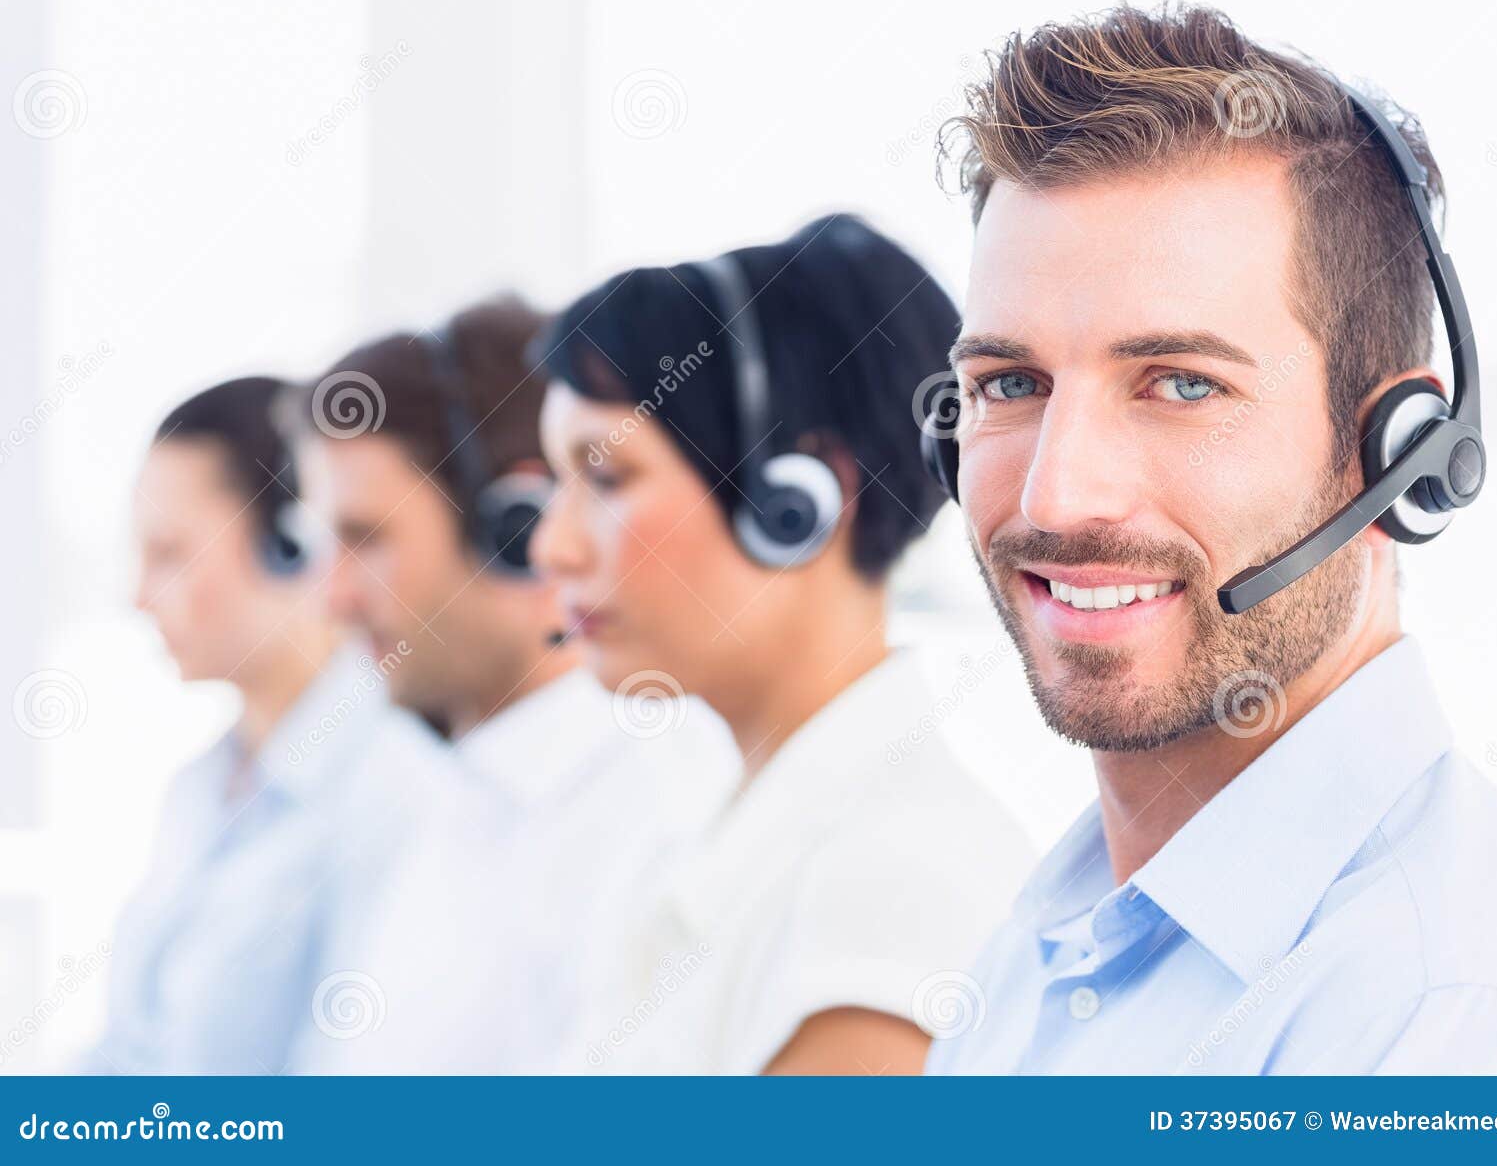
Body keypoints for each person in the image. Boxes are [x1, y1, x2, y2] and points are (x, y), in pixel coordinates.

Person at [924, 3, 1497, 1075]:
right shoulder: (1041, 943)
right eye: (1010, 383)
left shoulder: (1459, 1020)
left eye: (1182, 383)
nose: (1057, 493)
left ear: (1396, 454)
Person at [532, 214, 1038, 1075]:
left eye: (607, 477)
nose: (553, 546)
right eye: (556, 482)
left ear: (793, 504)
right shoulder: (703, 839)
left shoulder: (888, 892)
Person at [287, 294, 736, 1072]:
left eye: (366, 538)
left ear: (516, 528)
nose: (331, 597)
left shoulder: (655, 821)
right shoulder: (425, 794)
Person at [89, 376, 450, 1074]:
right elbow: (129, 1058)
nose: (138, 596)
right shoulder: (200, 788)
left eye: (167, 552)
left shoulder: (395, 791)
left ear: (291, 545)